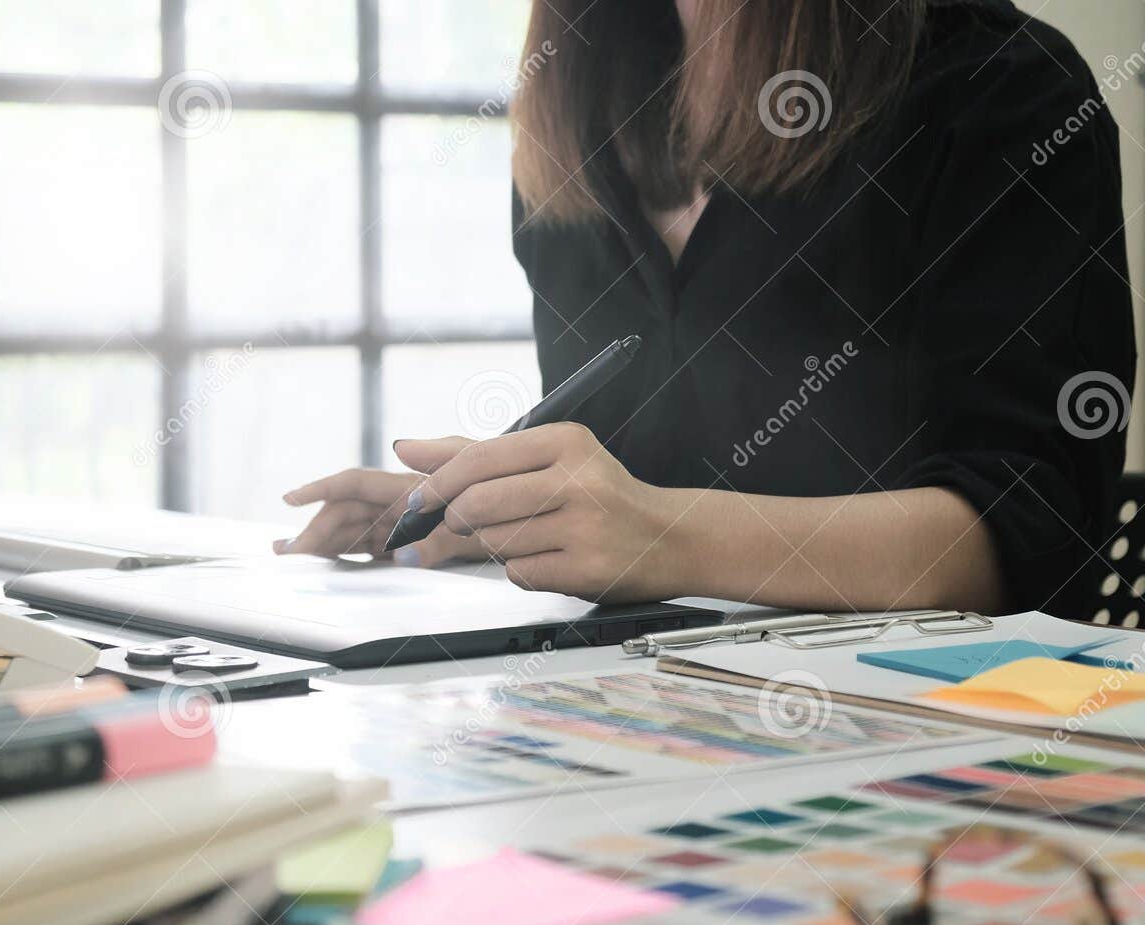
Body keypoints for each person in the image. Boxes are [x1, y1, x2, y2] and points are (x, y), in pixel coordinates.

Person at [277, 0, 1135, 617]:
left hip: (917, 739)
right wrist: (489, 513)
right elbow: (613, 475)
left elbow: (1033, 533)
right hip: (632, 714)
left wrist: (660, 536)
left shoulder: (1001, 87)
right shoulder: (579, 117)